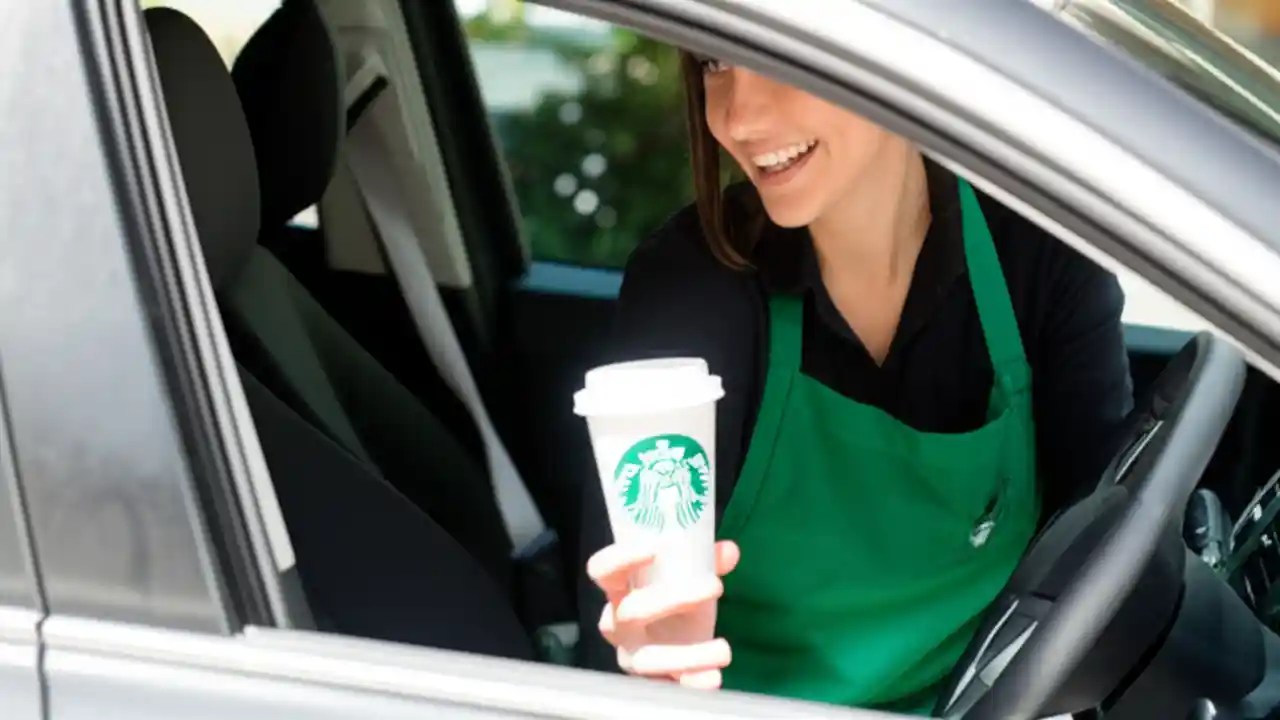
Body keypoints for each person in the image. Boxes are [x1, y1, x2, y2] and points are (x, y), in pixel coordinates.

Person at [577, 50, 1134, 715]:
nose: (739, 117)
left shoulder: (1040, 257)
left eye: (777, 49)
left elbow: (1113, 557)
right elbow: (623, 632)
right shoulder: (693, 294)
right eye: (716, 59)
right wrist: (653, 662)